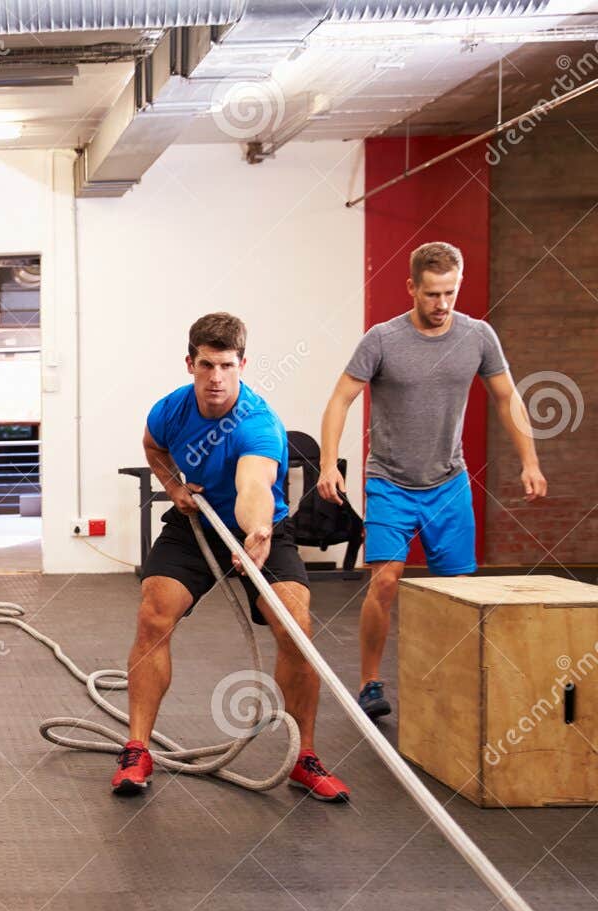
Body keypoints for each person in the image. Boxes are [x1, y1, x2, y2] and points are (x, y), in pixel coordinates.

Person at [112, 312, 347, 803]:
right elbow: (153, 447)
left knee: (295, 628)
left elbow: (253, 486)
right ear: (190, 364)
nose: (216, 378)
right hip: (195, 523)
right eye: (206, 366)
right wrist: (173, 485)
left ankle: (304, 756)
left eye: (225, 365)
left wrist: (257, 531)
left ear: (243, 363)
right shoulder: (170, 410)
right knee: (154, 615)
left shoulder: (259, 423)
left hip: (260, 526)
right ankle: (136, 749)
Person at [316, 241, 546, 720]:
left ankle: (451, 681)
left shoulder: (478, 336)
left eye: (450, 293)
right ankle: (369, 683)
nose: (442, 305)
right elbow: (340, 399)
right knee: (385, 582)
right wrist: (328, 464)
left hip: (448, 482)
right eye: (432, 294)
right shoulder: (382, 339)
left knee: (457, 591)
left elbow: (508, 399)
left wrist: (530, 460)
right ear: (412, 289)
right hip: (390, 481)